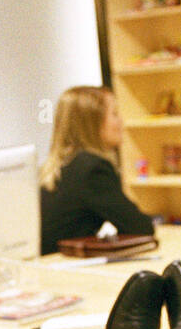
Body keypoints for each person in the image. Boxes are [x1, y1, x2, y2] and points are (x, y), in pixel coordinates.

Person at [39, 85, 155, 254]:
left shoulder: (63, 165)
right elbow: (140, 227)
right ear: (92, 123)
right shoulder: (91, 168)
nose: (121, 121)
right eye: (114, 114)